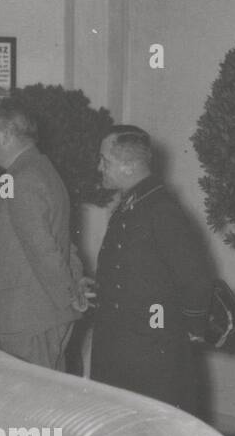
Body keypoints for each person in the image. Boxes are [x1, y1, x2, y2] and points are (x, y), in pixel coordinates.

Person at [91, 125, 215, 412]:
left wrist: (192, 329)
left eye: (104, 161)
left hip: (150, 348)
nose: (100, 168)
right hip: (123, 342)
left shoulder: (160, 209)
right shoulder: (134, 203)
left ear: (127, 165)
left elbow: (195, 279)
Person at [0, 101, 89, 369]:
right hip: (30, 316)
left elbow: (43, 249)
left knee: (27, 404)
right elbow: (63, 242)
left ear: (5, 135)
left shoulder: (23, 178)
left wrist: (69, 297)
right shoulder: (36, 170)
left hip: (25, 321)